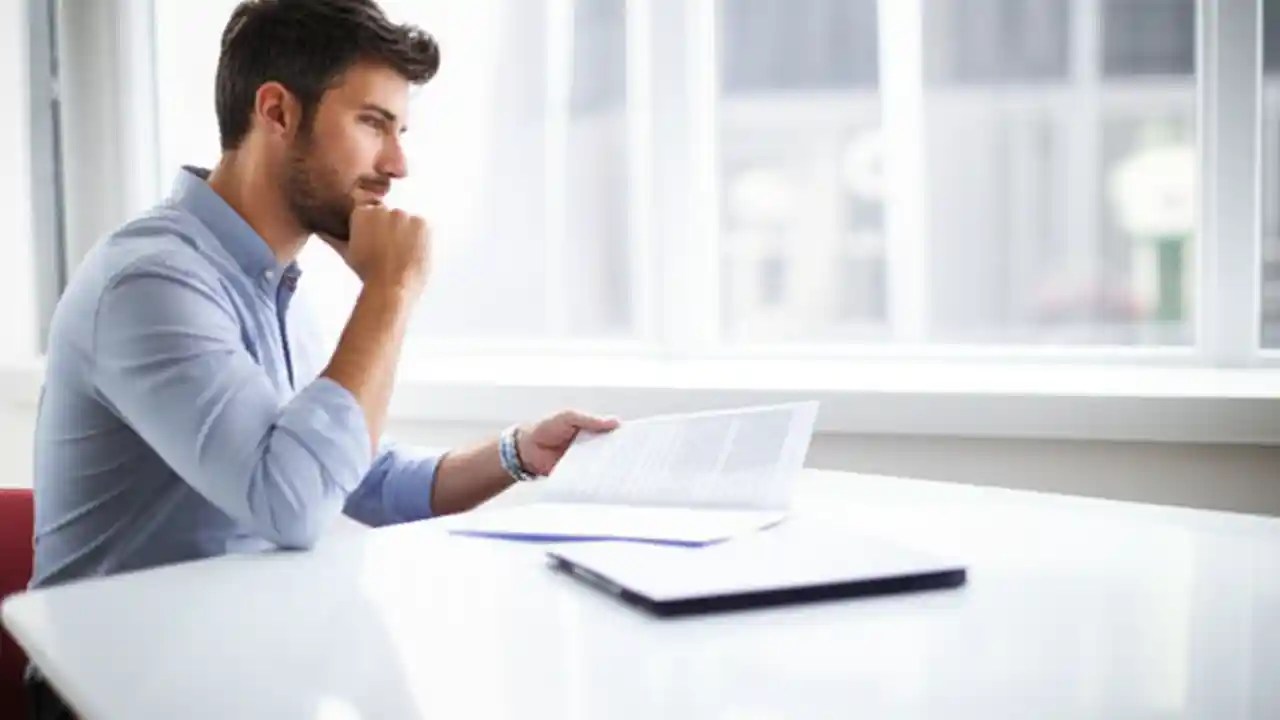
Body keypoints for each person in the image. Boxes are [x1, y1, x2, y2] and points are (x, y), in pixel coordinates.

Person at [26, 1, 618, 716]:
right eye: (373, 123)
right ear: (276, 110)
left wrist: (519, 453)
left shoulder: (270, 286)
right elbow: (293, 503)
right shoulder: (151, 284)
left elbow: (359, 477)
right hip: (117, 690)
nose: (397, 165)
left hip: (239, 664)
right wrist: (392, 288)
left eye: (400, 131)